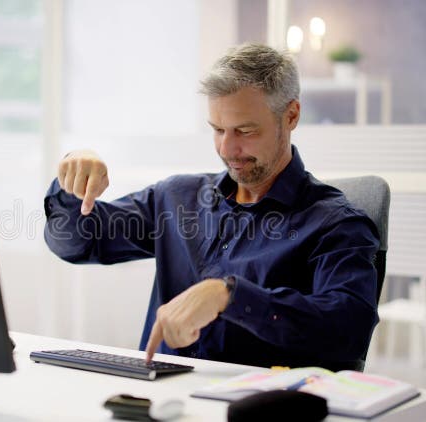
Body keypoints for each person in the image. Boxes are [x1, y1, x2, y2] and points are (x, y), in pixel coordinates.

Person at [43, 44, 380, 371]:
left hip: (248, 408)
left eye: (245, 130)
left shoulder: (336, 223)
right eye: (217, 130)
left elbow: (348, 329)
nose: (227, 148)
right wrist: (71, 185)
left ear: (291, 115)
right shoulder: (176, 198)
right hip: (154, 403)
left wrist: (231, 296)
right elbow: (74, 243)